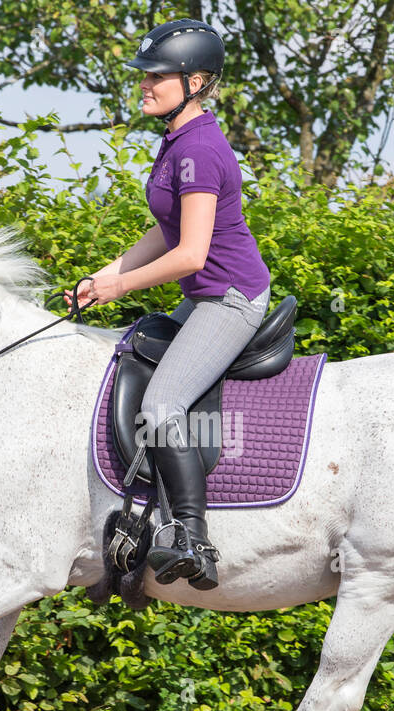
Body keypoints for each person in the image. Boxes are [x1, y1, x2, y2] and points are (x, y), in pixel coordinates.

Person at [64, 18, 272, 591]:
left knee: (162, 407)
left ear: (197, 81)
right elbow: (165, 231)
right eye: (145, 75)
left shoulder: (201, 149)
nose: (145, 84)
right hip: (204, 294)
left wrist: (121, 289)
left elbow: (191, 255)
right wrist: (104, 274)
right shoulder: (177, 140)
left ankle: (191, 535)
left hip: (229, 299)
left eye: (158, 76)